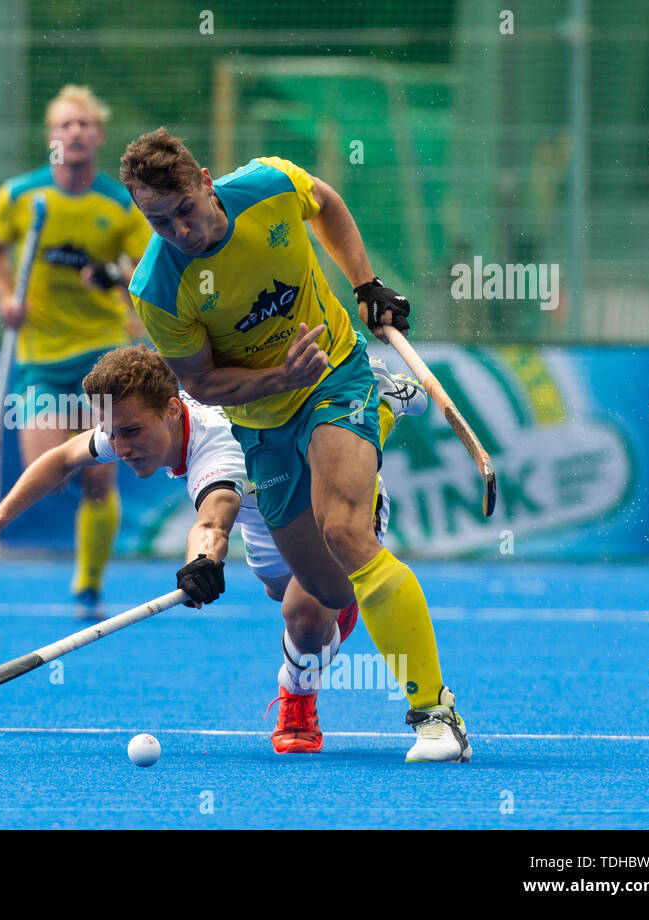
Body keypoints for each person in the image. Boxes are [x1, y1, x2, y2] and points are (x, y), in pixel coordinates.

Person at [118, 129, 470, 762]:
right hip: (261, 420)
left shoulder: (268, 185)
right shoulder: (157, 288)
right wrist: (279, 378)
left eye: (184, 211)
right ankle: (385, 414)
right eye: (157, 221)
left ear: (204, 179)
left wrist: (365, 285)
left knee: (347, 531)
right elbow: (198, 381)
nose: (179, 231)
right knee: (327, 596)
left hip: (336, 370)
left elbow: (328, 205)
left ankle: (434, 715)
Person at [0, 345, 426, 753]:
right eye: (113, 432)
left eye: (130, 433)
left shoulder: (217, 447)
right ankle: (330, 609)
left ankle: (298, 695)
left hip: (325, 496)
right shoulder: (137, 421)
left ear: (171, 411)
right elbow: (61, 459)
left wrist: (201, 562)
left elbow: (214, 516)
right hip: (267, 502)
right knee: (283, 595)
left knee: (303, 610)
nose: (120, 447)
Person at [0, 85, 153, 620]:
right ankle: (85, 561)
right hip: (41, 359)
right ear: (51, 137)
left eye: (84, 126)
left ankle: (89, 583)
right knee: (46, 469)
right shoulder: (21, 197)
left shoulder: (120, 203)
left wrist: (114, 276)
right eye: (64, 126)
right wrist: (7, 298)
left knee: (100, 476)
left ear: (98, 136)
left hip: (103, 356)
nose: (74, 134)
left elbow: (148, 273)